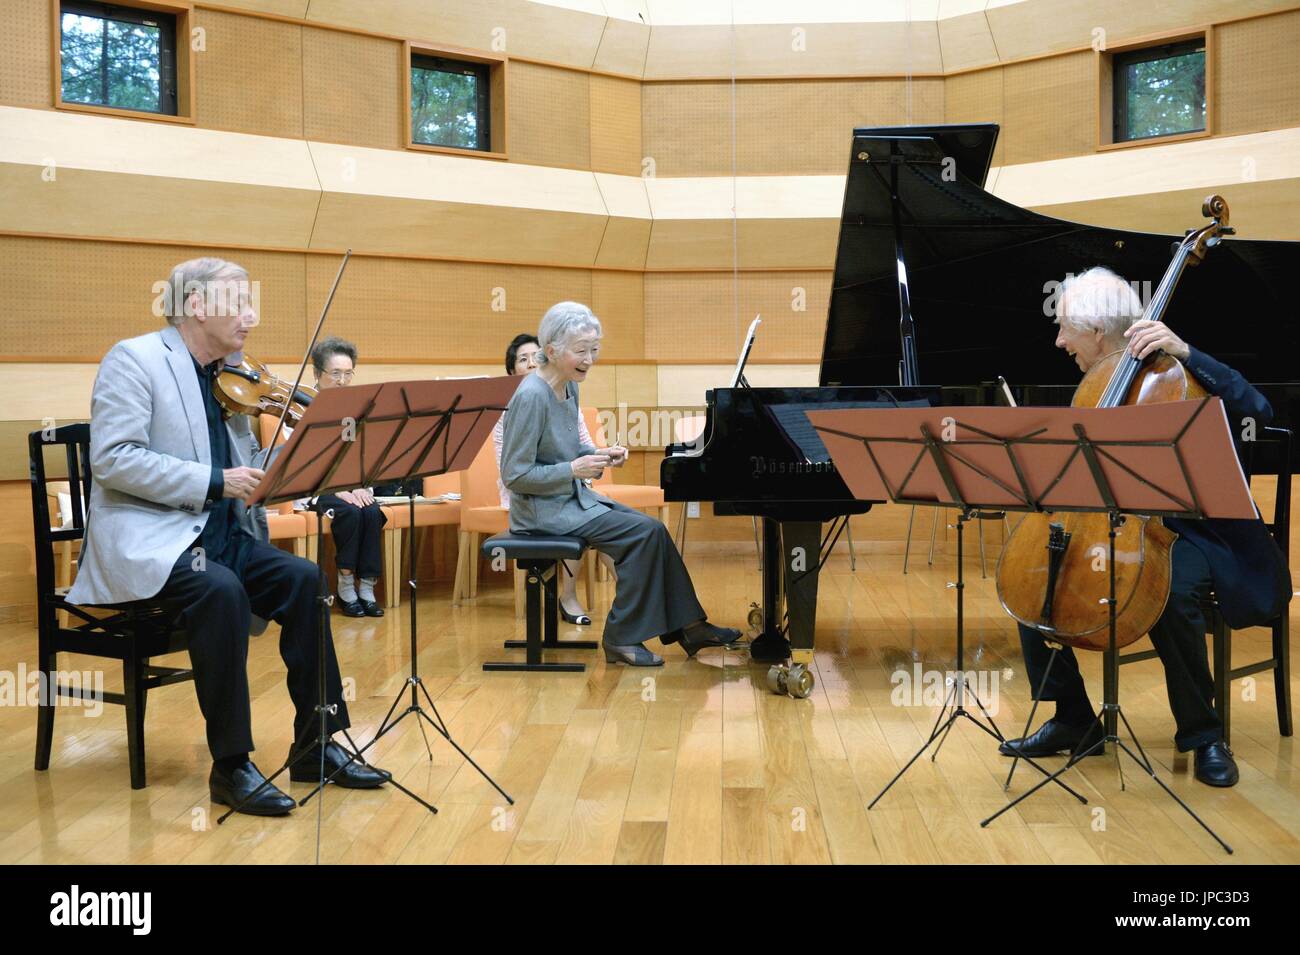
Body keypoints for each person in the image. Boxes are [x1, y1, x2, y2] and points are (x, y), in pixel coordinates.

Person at [67, 257, 389, 816]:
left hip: (222, 536)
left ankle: (318, 742)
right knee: (221, 591)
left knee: (306, 579)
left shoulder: (231, 377)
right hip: (157, 543)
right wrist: (215, 481)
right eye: (239, 303)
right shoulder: (135, 360)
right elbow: (114, 459)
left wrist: (300, 453)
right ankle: (231, 765)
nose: (252, 316)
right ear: (195, 306)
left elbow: (248, 471)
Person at [998, 267, 1291, 787]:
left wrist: (1189, 353)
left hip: (1200, 528)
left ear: (1097, 332)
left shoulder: (1178, 372)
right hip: (1115, 523)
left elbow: (1258, 410)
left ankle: (1204, 735)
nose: (1058, 340)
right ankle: (1073, 718)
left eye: (1066, 328)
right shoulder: (1101, 380)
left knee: (1171, 594)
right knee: (1032, 577)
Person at [499, 302, 741, 666]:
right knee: (641, 535)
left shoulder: (568, 387)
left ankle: (690, 626)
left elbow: (568, 450)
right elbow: (515, 475)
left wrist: (598, 454)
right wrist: (573, 469)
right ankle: (620, 637)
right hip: (540, 511)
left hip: (569, 500)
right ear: (551, 351)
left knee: (654, 531)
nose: (590, 359)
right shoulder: (531, 396)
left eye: (594, 349)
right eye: (581, 351)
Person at [492, 332, 603, 624]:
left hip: (562, 482)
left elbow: (581, 441)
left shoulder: (563, 391)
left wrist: (600, 457)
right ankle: (568, 598)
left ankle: (584, 600)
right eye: (522, 359)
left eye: (535, 356)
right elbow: (510, 470)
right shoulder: (521, 400)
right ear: (511, 369)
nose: (531, 363)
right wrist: (571, 472)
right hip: (524, 491)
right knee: (586, 517)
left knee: (612, 523)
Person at [306, 337, 386, 618]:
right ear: (317, 374)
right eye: (335, 373)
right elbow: (302, 464)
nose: (342, 380)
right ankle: (344, 586)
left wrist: (362, 486)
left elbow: (364, 457)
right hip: (314, 491)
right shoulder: (302, 406)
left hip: (350, 488)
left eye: (348, 374)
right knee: (350, 512)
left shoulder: (357, 408)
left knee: (372, 510)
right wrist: (338, 489)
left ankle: (366, 586)